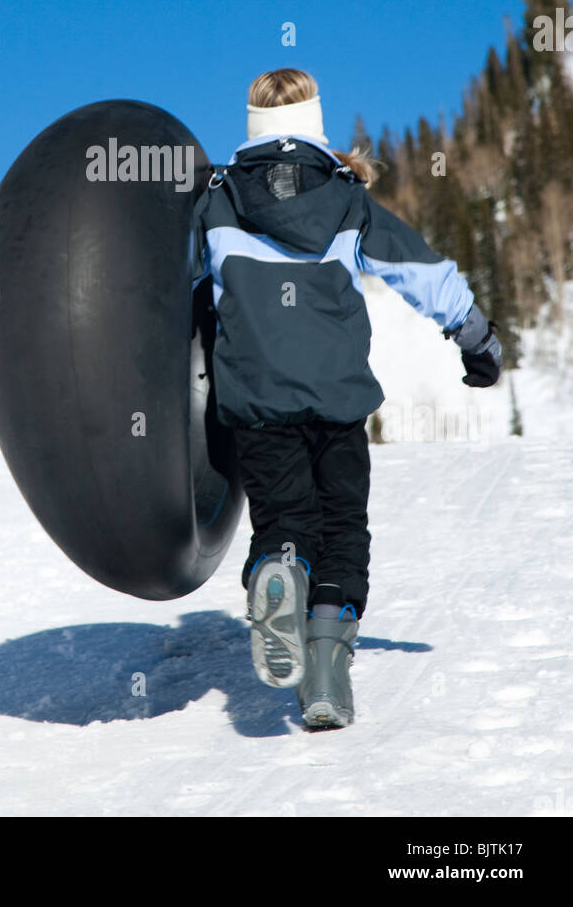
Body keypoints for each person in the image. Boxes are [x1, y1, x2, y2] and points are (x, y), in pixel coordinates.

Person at [191, 68, 502, 728]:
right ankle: (327, 671)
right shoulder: (345, 198)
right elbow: (420, 271)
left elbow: (167, 290)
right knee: (343, 532)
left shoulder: (216, 202)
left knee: (286, 524)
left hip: (254, 399)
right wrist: (475, 337)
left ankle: (278, 571)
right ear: (315, 122)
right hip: (335, 400)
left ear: (250, 125)